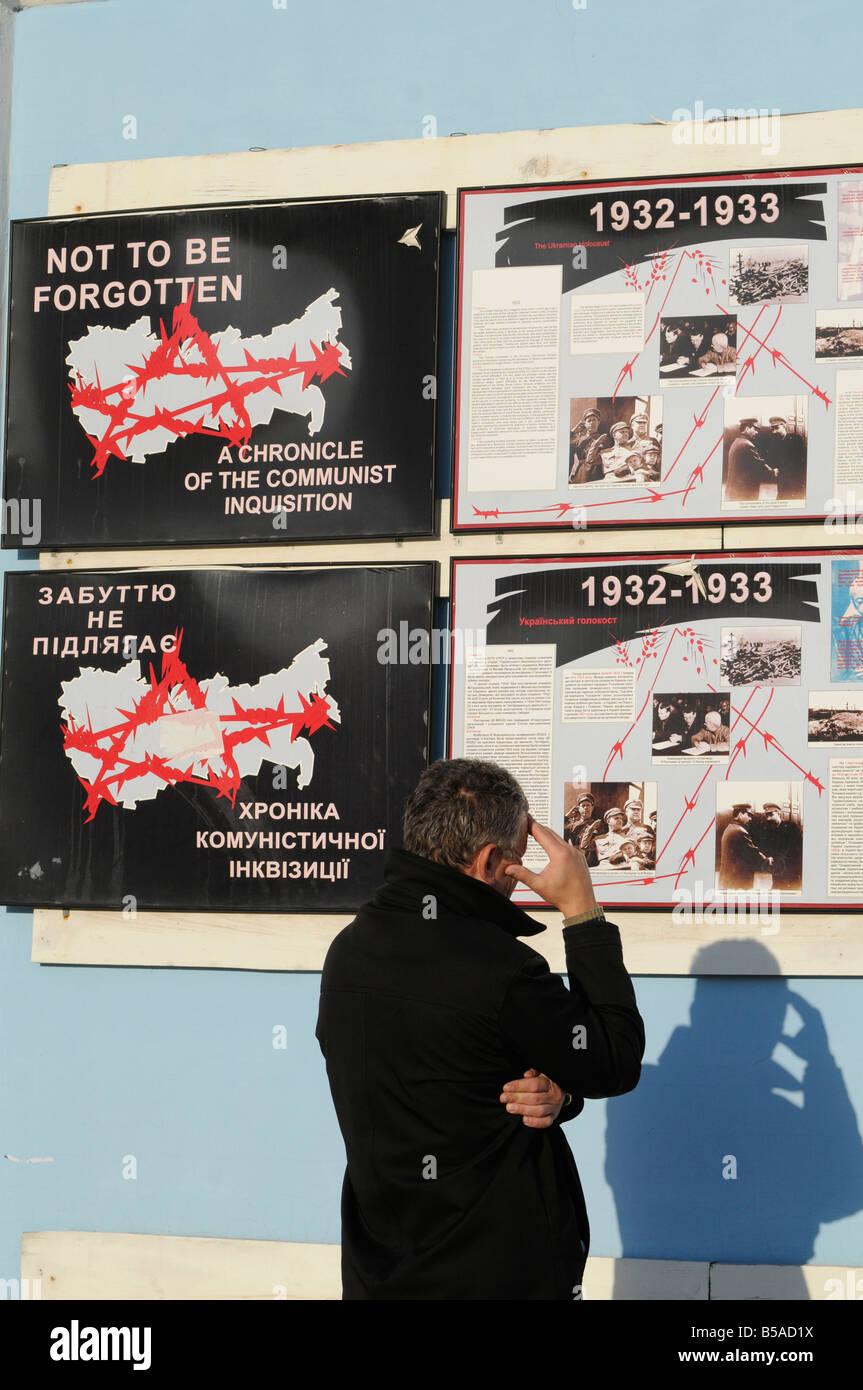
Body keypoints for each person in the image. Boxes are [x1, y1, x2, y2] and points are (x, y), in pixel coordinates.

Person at [316, 759, 644, 1301]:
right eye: (518, 856)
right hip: (497, 1272)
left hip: (380, 1273)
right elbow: (613, 1059)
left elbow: (456, 1083)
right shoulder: (500, 971)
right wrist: (582, 909)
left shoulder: (349, 950)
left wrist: (560, 1097)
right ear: (491, 860)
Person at [718, 802, 773, 890]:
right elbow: (753, 853)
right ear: (740, 814)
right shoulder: (739, 831)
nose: (750, 818)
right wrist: (767, 860)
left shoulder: (730, 827)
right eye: (749, 815)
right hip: (737, 882)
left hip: (727, 880)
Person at [725, 418, 777, 501]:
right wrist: (773, 472)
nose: (757, 432)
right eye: (755, 429)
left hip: (733, 491)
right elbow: (760, 467)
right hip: (743, 493)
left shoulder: (737, 441)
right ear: (747, 428)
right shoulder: (747, 445)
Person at [759, 802, 802, 890]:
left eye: (771, 815)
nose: (768, 818)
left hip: (791, 870)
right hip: (777, 871)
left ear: (779, 813)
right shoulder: (768, 830)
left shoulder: (791, 828)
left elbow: (794, 850)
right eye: (766, 816)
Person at [765, 416, 806, 500]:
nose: (774, 431)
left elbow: (803, 460)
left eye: (776, 428)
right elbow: (771, 460)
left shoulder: (796, 439)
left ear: (784, 426)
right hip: (782, 479)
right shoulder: (775, 442)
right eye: (772, 429)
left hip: (796, 479)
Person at [563, 791, 603, 866]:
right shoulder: (572, 825)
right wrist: (566, 817)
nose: (586, 808)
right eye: (583, 805)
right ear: (579, 808)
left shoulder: (598, 825)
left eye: (588, 805)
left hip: (591, 861)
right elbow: (561, 837)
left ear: (592, 807)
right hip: (575, 860)